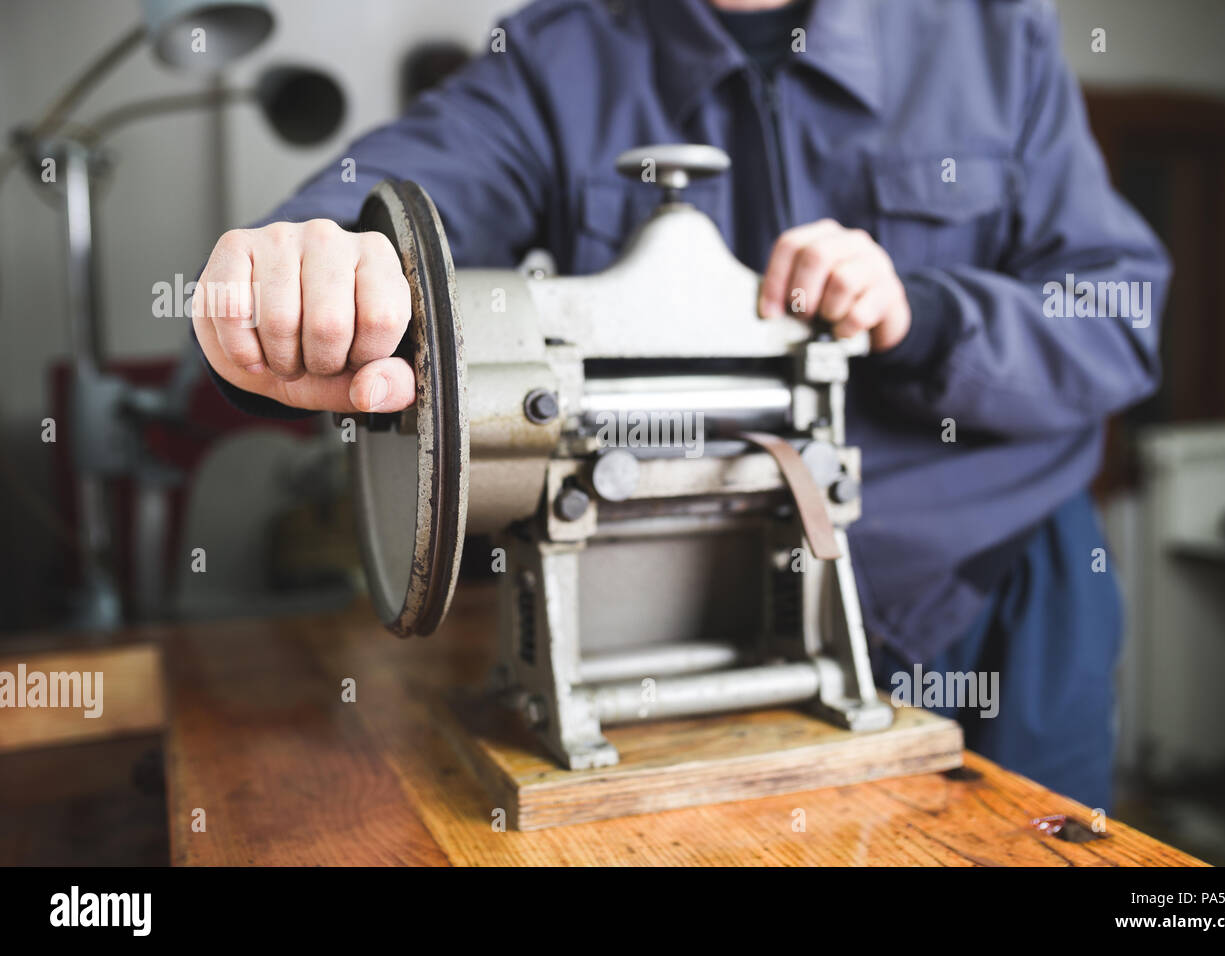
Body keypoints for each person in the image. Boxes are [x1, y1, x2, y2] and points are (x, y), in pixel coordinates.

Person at [191, 0, 1169, 811]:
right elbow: (380, 204)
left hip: (1001, 597)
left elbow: (1117, 320)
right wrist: (295, 272)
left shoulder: (990, 33)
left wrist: (923, 314)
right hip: (681, 628)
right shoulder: (555, 59)